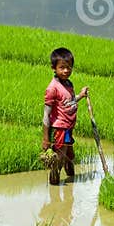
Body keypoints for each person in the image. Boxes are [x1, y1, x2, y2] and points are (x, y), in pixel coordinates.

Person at [42, 47, 88, 185]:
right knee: (60, 157)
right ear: (53, 68)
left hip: (69, 127)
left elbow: (70, 102)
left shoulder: (68, 84)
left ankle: (71, 184)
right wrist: (45, 139)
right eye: (62, 67)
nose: (66, 71)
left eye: (69, 67)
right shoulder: (52, 88)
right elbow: (46, 115)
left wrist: (81, 95)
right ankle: (54, 183)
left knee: (69, 156)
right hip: (60, 129)